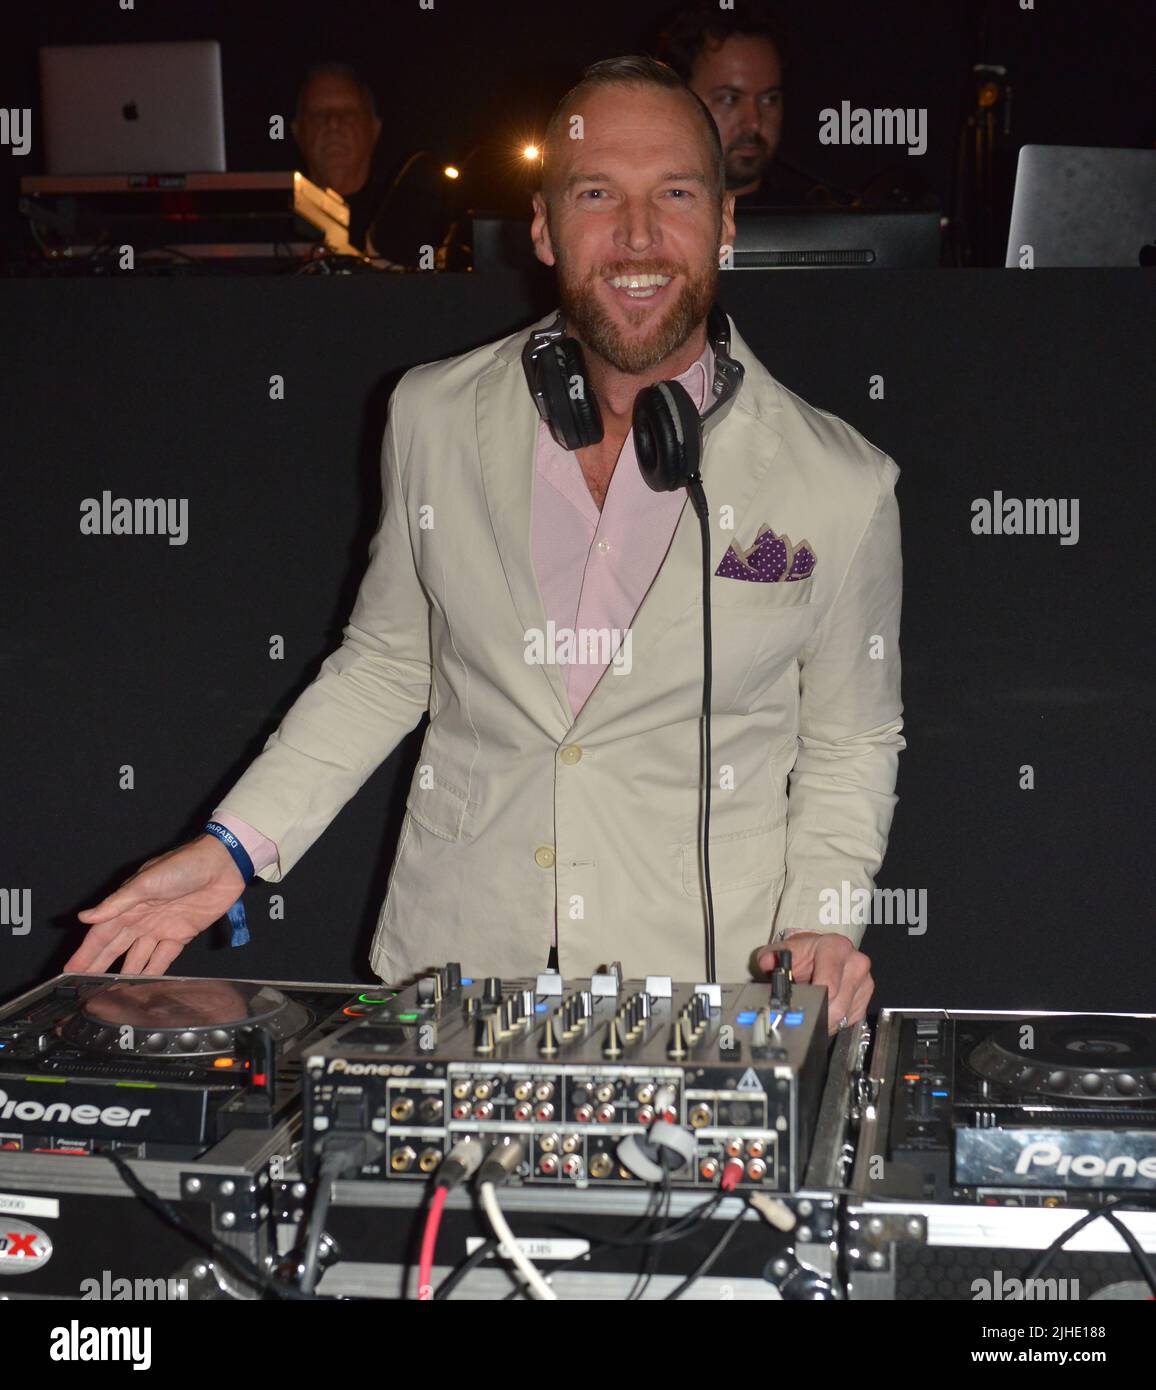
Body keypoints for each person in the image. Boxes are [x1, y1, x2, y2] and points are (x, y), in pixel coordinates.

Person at [68, 57, 904, 1036]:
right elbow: (388, 664)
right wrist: (232, 849)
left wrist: (819, 924)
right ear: (543, 226)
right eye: (597, 194)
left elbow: (850, 742)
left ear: (725, 220)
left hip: (705, 993)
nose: (638, 235)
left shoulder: (841, 483)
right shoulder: (431, 415)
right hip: (454, 973)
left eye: (675, 194)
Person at [657, 1, 829, 207]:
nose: (754, 123)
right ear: (675, 103)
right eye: (729, 99)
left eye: (769, 99)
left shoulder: (816, 217)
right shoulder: (636, 217)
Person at [291, 61, 384, 251]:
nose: (333, 123)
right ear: (298, 131)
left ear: (374, 129)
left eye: (347, 113)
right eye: (318, 114)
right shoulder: (272, 228)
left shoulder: (410, 221)